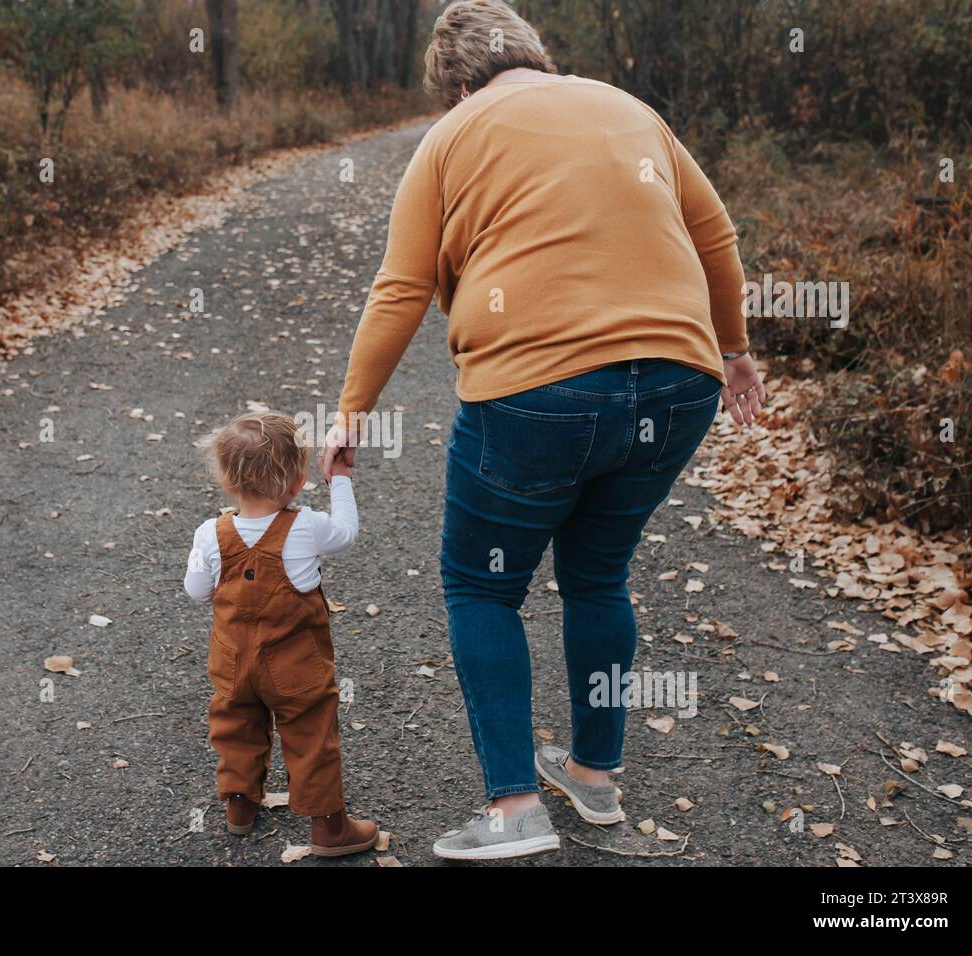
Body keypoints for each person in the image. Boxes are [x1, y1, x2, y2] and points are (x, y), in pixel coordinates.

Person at [321, 0, 765, 860]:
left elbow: (400, 288)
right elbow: (714, 234)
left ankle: (513, 808)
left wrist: (350, 416)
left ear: (454, 82)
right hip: (678, 385)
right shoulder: (631, 110)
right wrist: (737, 348)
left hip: (534, 393)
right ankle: (594, 777)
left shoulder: (452, 135)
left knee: (482, 587)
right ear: (537, 54)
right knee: (598, 578)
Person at [186, 412, 379, 856]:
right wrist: (342, 479)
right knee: (312, 736)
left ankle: (240, 806)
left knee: (235, 726)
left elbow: (196, 592)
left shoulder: (209, 534)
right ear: (297, 482)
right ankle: (330, 828)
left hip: (232, 664)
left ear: (226, 481)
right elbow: (348, 533)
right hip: (296, 667)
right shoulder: (307, 526)